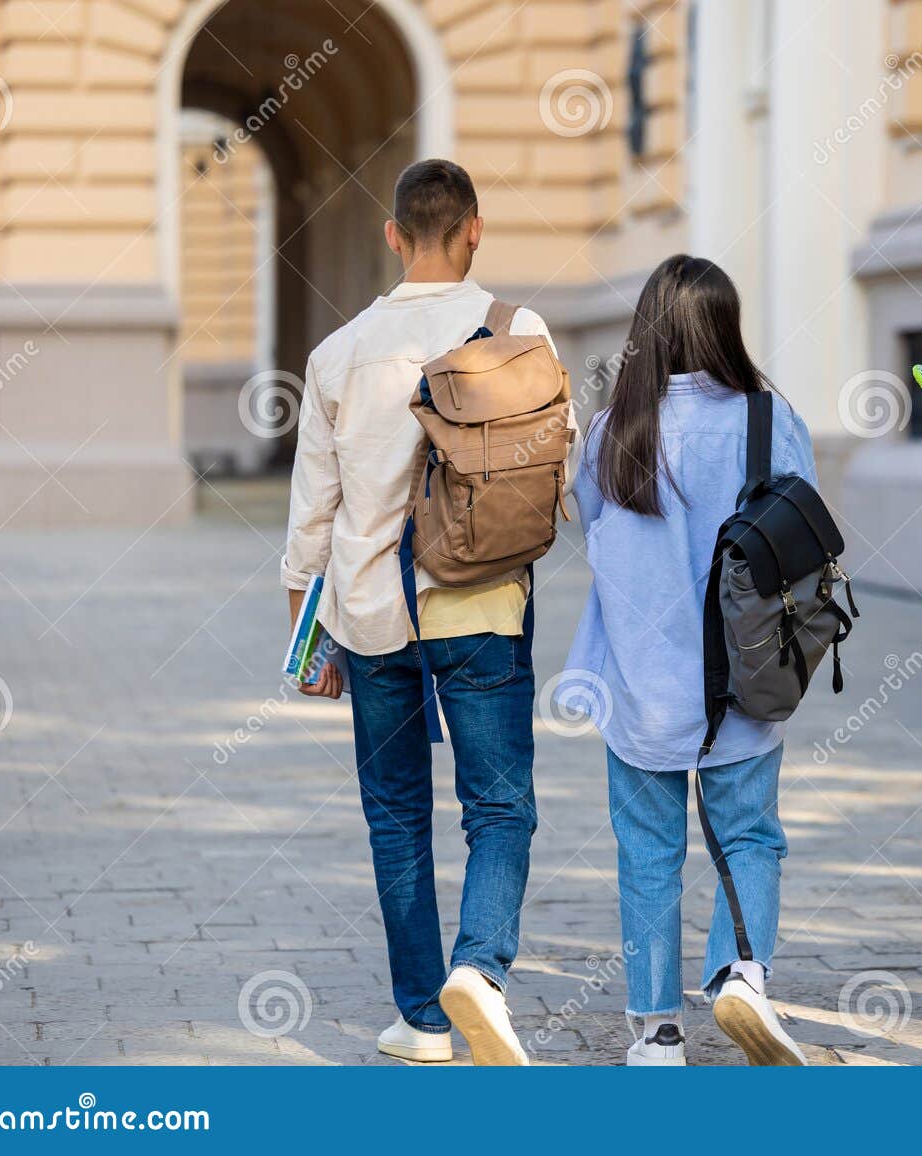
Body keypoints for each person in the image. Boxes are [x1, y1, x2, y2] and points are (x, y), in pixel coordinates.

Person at [283, 158, 570, 1066]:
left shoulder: (336, 353)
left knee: (396, 814)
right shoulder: (519, 332)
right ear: (475, 229)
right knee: (500, 807)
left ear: (394, 236)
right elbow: (558, 469)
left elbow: (311, 521)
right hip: (481, 602)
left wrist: (307, 638)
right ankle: (480, 970)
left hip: (369, 616)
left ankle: (422, 1018)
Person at [558, 255, 814, 1067]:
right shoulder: (770, 421)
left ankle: (656, 1032)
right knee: (750, 837)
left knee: (647, 851)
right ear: (726, 327)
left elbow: (589, 528)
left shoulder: (609, 434)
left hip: (639, 685)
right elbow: (807, 535)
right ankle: (742, 974)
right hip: (747, 679)